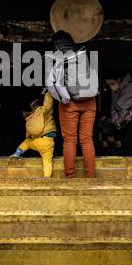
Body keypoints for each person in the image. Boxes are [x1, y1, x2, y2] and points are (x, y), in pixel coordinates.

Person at [45, 30, 99, 178]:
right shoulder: (83, 55)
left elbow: (52, 84)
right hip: (89, 101)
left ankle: (69, 178)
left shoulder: (59, 60)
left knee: (70, 140)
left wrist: (62, 98)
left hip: (69, 104)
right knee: (87, 140)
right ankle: (91, 177)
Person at [10, 96, 58, 177]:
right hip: (48, 142)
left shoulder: (31, 117)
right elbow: (48, 102)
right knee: (47, 161)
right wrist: (48, 93)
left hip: (36, 142)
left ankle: (17, 153)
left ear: (32, 108)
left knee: (26, 142)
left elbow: (28, 133)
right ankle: (47, 177)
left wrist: (29, 138)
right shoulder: (45, 111)